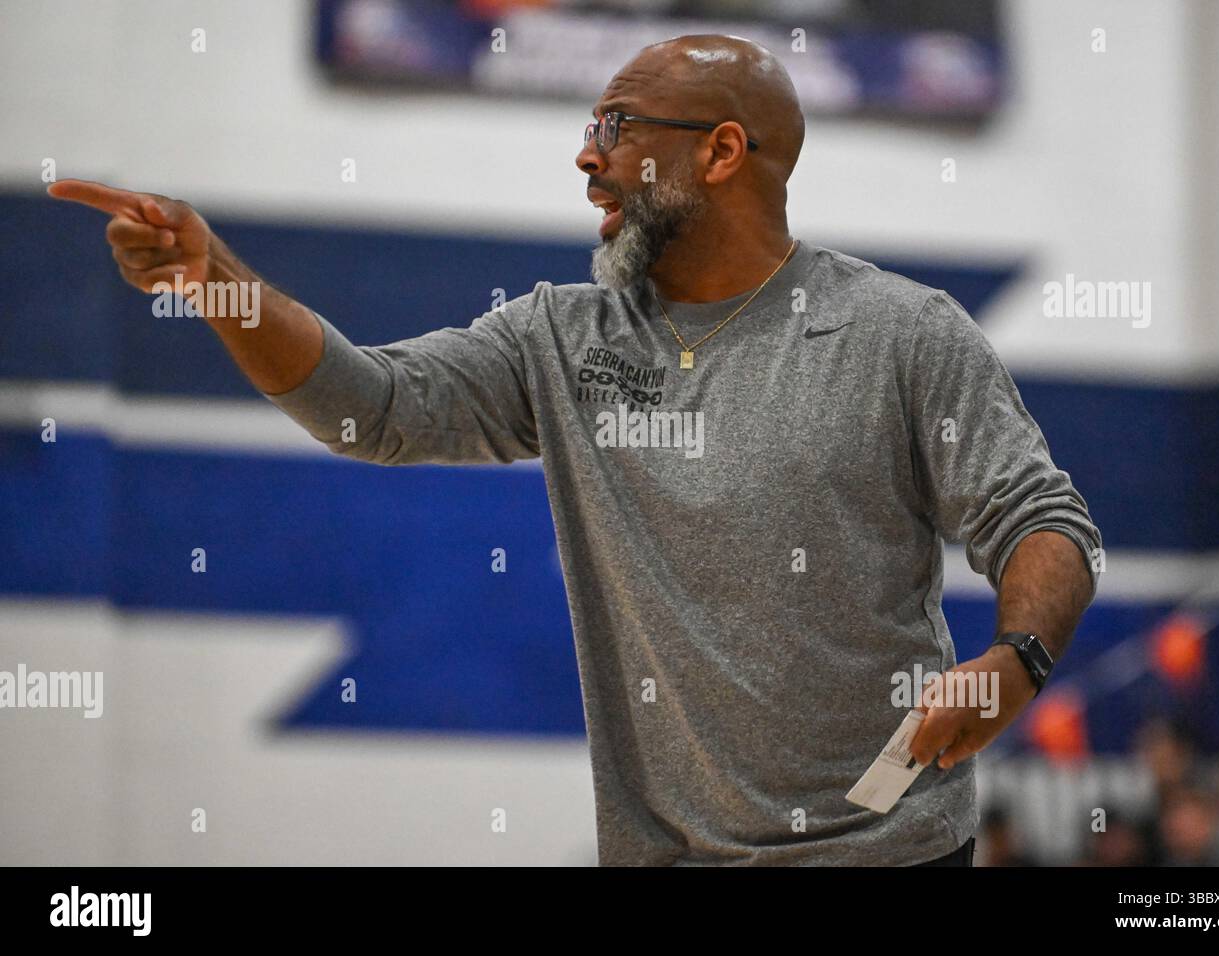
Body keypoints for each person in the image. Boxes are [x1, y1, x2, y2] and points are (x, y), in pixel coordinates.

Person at [48, 34, 1101, 866]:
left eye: (617, 124)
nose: (587, 154)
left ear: (721, 153)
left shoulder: (900, 334)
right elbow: (372, 407)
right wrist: (210, 277)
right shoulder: (560, 335)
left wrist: (1017, 661)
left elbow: (1044, 523)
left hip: (891, 852)